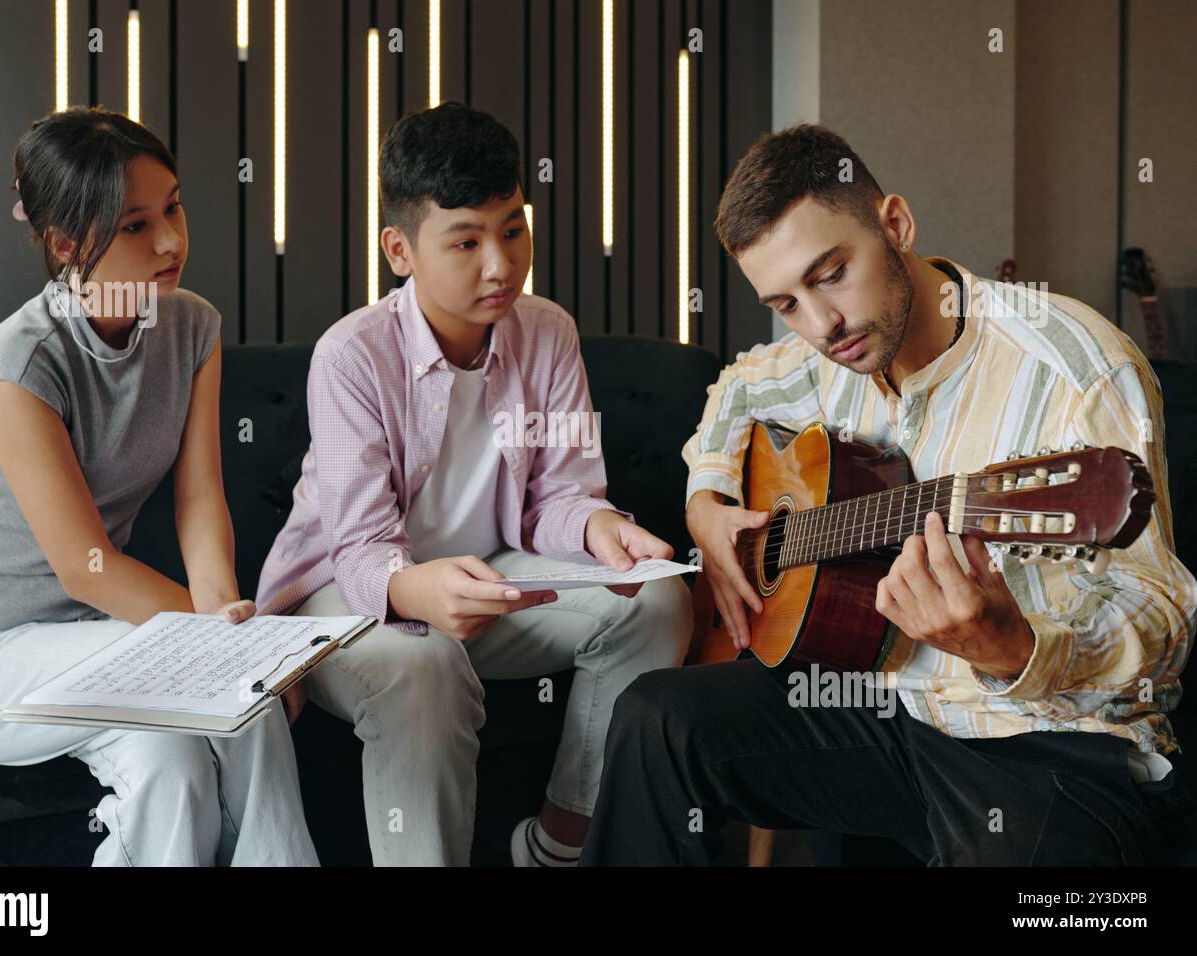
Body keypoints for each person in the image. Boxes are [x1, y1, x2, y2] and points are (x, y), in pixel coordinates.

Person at [581, 123, 1196, 866]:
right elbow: (736, 389)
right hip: (883, 708)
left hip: (1049, 740)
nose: (821, 325)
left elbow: (1162, 618)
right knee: (655, 716)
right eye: (785, 305)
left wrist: (1018, 647)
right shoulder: (824, 355)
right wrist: (705, 504)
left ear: (896, 224)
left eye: (831, 274)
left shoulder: (1075, 365)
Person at [256, 102, 693, 866]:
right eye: (465, 240)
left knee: (654, 598)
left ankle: (559, 844)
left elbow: (562, 493)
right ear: (400, 249)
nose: (500, 264)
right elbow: (358, 550)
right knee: (422, 664)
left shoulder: (547, 332)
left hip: (490, 582)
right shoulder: (352, 357)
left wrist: (600, 530)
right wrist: (417, 591)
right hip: (349, 597)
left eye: (513, 229)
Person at [0, 107, 318, 866]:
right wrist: (237, 651)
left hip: (105, 638)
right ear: (66, 242)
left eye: (173, 207)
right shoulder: (21, 365)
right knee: (242, 691)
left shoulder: (190, 326)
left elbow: (200, 501)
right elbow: (81, 567)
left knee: (176, 763)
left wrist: (225, 615)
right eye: (135, 225)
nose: (170, 241)